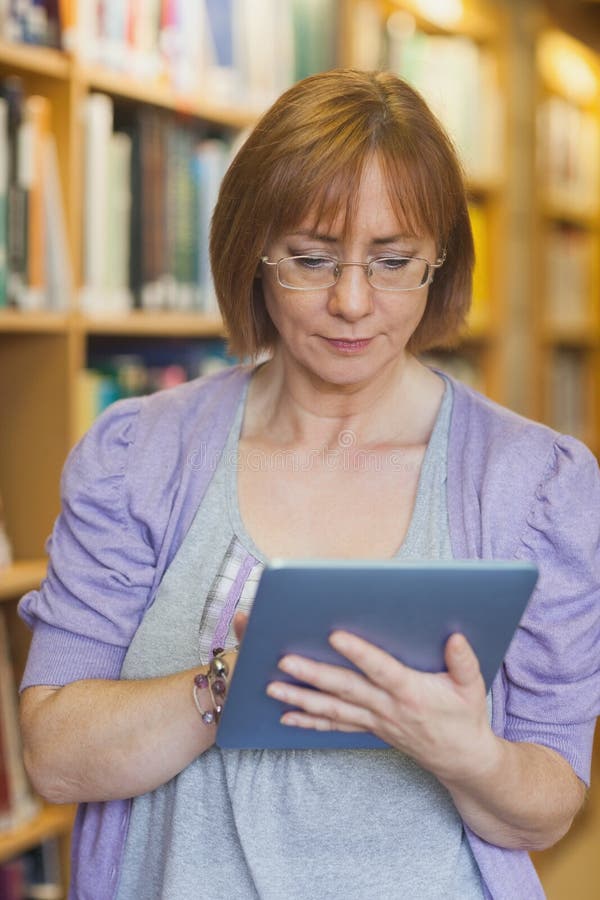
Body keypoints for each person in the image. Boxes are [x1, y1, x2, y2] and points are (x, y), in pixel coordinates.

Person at [18, 69, 600, 900]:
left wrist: (461, 749)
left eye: (395, 261)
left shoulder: (535, 487)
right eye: (312, 259)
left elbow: (544, 810)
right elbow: (54, 759)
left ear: (440, 261)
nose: (353, 302)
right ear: (253, 254)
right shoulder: (137, 458)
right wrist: (228, 678)